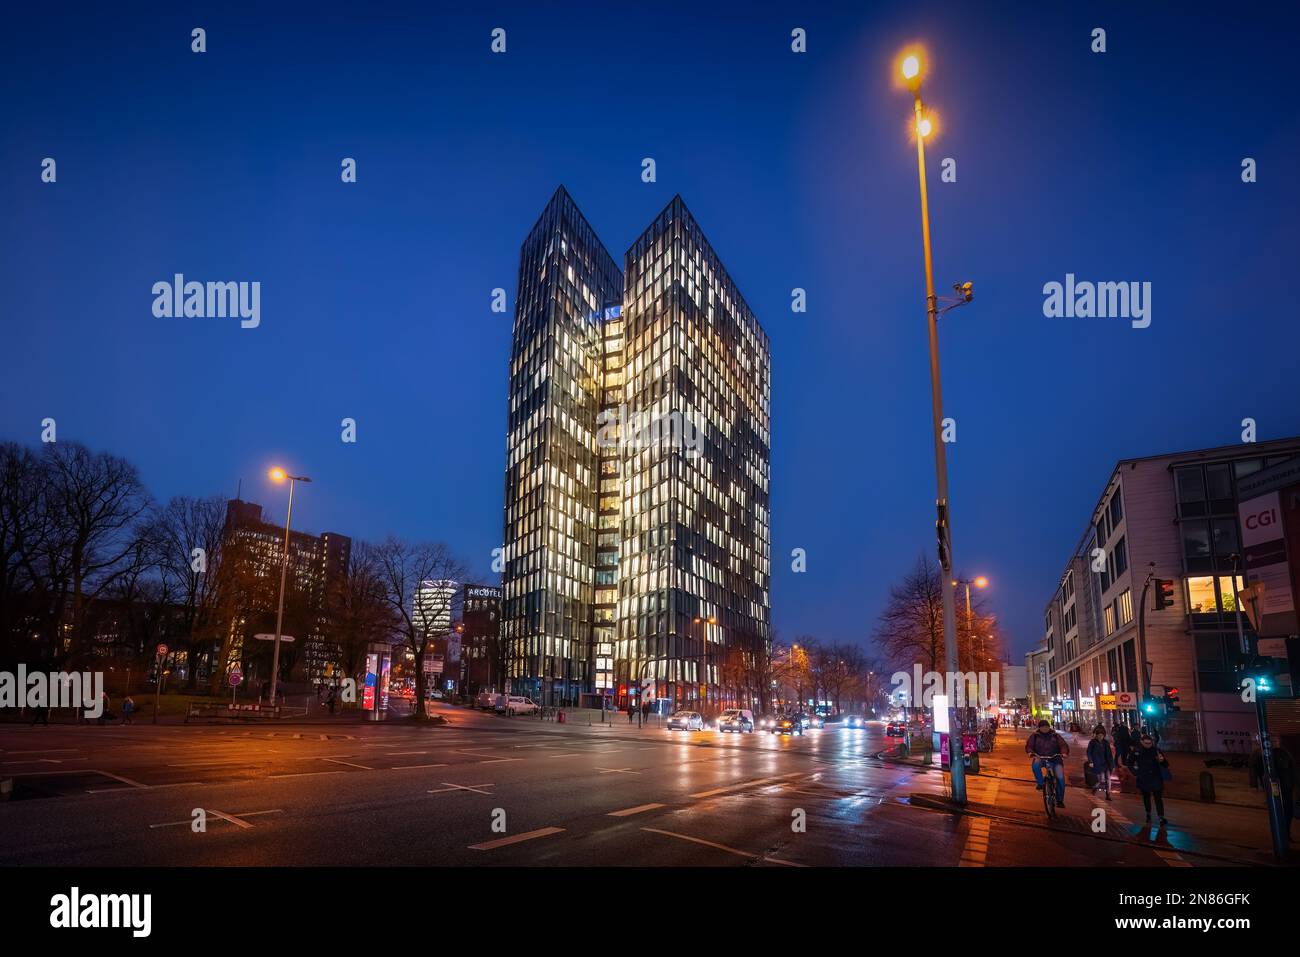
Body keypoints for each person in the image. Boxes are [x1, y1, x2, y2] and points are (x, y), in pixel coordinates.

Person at [1249, 736, 1296, 841]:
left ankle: (1285, 833)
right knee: (1280, 811)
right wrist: (1254, 785)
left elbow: (1292, 768)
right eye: (1273, 741)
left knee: (1287, 811)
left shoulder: (1283, 753)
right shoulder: (1262, 755)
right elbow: (1254, 769)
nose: (1275, 742)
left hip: (1286, 787)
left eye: (1276, 740)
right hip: (1276, 788)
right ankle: (1282, 835)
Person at [1026, 719, 1070, 807]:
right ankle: (1040, 783)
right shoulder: (1034, 736)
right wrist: (1030, 752)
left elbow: (1063, 745)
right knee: (1035, 765)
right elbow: (1029, 745)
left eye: (1046, 727)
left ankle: (1059, 800)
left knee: (1060, 778)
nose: (1045, 729)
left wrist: (1064, 753)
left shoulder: (1055, 736)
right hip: (1040, 757)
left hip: (1055, 759)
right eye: (1043, 727)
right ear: (1039, 728)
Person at [1132, 732, 1169, 825]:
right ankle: (1148, 814)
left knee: (1158, 798)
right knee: (1146, 797)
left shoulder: (1156, 750)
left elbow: (1166, 764)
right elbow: (1130, 762)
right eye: (1146, 743)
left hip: (1155, 778)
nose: (1148, 745)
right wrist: (1135, 772)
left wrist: (1162, 760)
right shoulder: (1137, 751)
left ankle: (1161, 817)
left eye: (1150, 743)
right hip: (1144, 778)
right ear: (1142, 742)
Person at [1086, 724, 1115, 800]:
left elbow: (1109, 754)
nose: (1100, 737)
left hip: (1106, 764)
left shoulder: (1106, 743)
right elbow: (1089, 752)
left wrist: (1112, 765)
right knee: (1100, 780)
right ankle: (1095, 788)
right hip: (1097, 764)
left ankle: (1108, 795)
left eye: (1101, 735)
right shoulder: (1092, 742)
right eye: (1098, 735)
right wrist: (1091, 761)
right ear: (1096, 735)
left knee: (1108, 779)